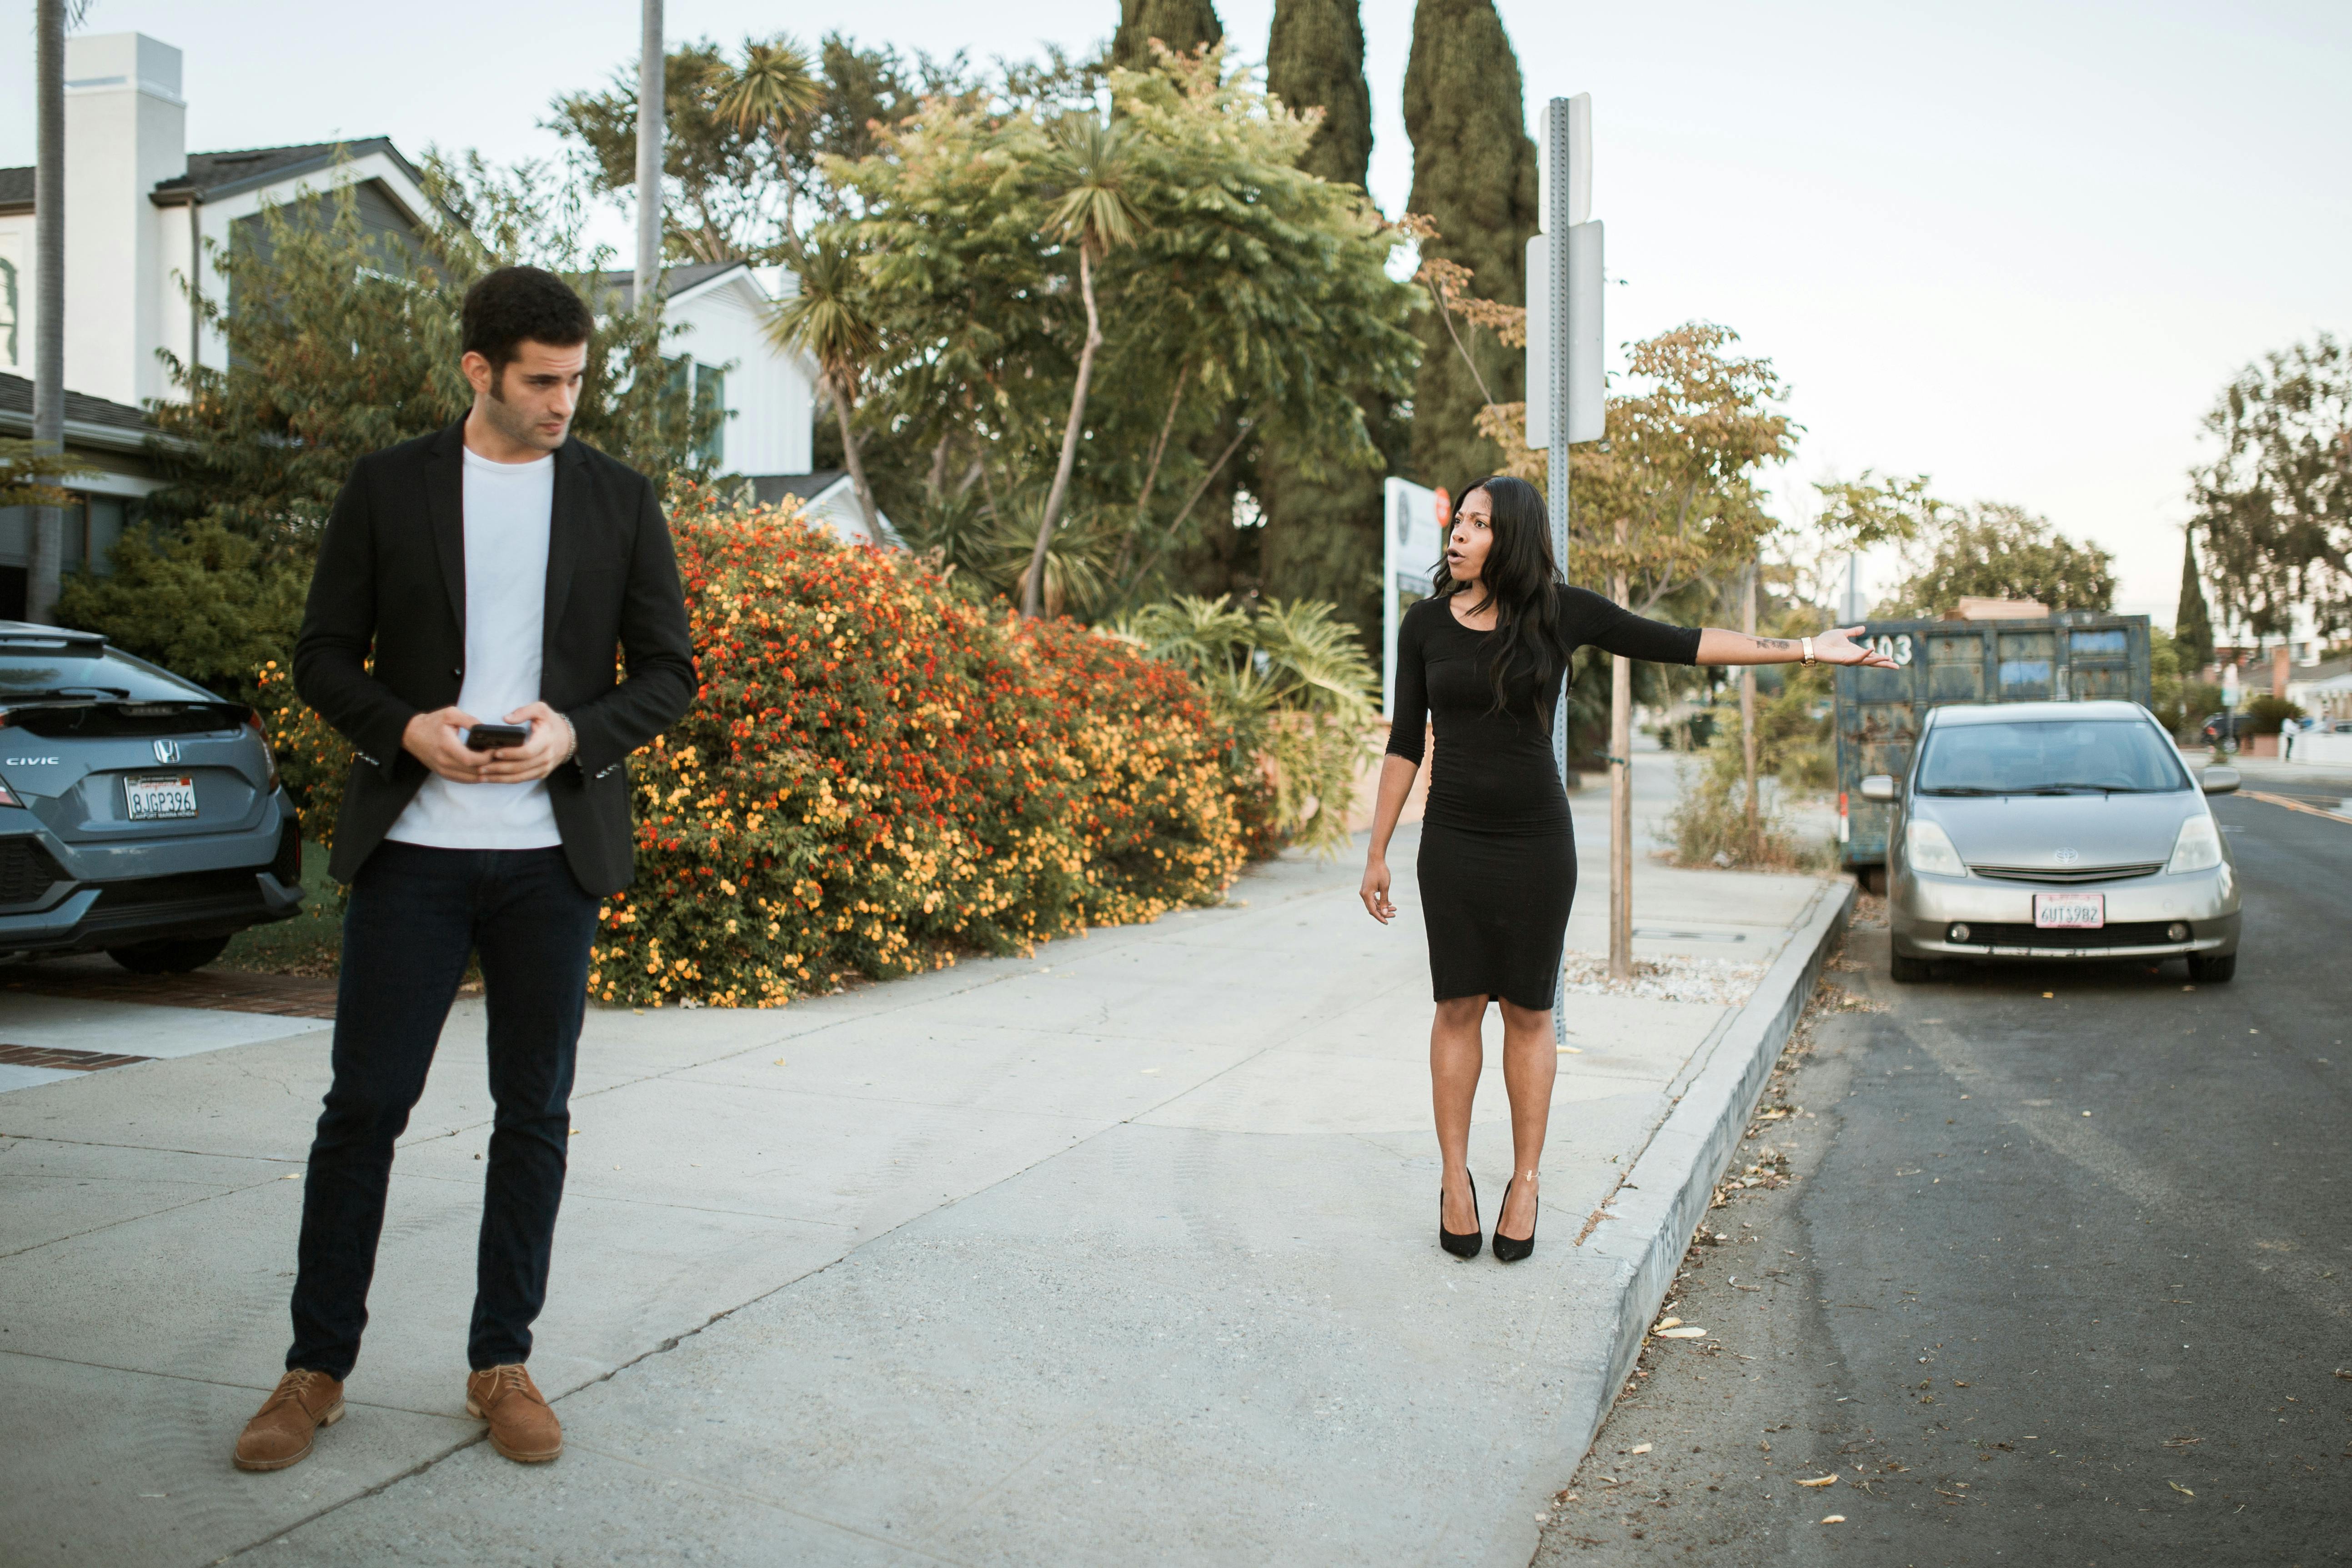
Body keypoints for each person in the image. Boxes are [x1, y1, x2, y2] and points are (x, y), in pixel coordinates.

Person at [233, 266, 696, 1472]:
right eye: (541, 381)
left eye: (576, 379)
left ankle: (503, 1364)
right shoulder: (387, 487)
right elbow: (323, 653)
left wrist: (572, 735)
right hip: (415, 856)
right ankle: (315, 1368)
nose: (563, 402)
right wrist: (406, 728)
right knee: (364, 1112)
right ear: (478, 370)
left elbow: (669, 672)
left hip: (550, 861)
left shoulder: (617, 498)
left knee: (532, 1114)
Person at [1357, 476, 1892, 1262]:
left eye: (1477, 523)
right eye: (1458, 521)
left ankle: (1526, 1181)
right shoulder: (1425, 624)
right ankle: (1453, 1179)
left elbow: (1682, 641)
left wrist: (1809, 648)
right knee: (1457, 1004)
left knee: (1530, 1012)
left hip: (1536, 844)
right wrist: (1376, 849)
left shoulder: (1559, 612)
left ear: (1512, 536)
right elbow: (1406, 740)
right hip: (1452, 843)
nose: (1458, 534)